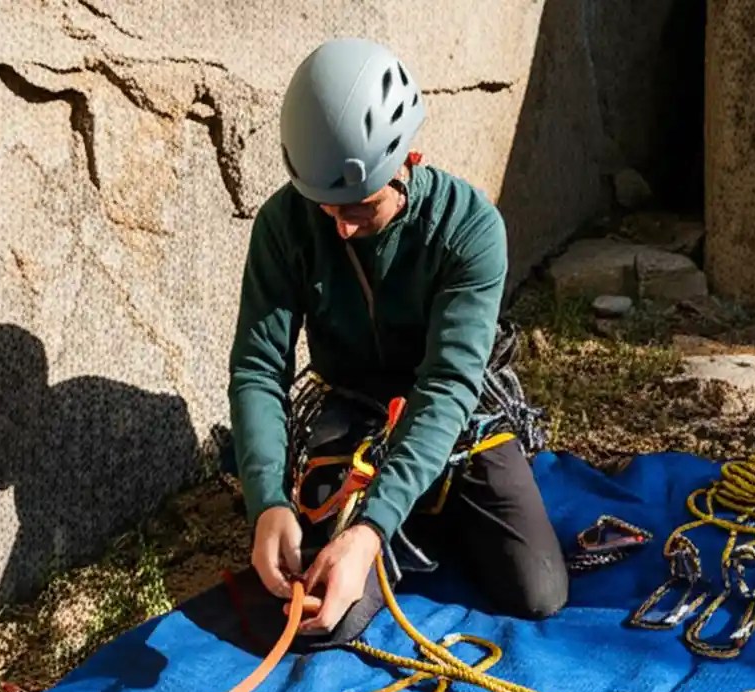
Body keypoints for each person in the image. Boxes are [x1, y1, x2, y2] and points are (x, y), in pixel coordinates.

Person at [226, 37, 568, 642]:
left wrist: (372, 528)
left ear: (410, 158)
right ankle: (420, 513)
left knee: (537, 590)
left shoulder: (470, 229)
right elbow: (258, 367)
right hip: (353, 402)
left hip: (458, 411)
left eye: (360, 205)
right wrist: (267, 501)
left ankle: (414, 512)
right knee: (320, 618)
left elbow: (448, 383)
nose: (341, 225)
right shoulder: (284, 224)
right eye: (325, 205)